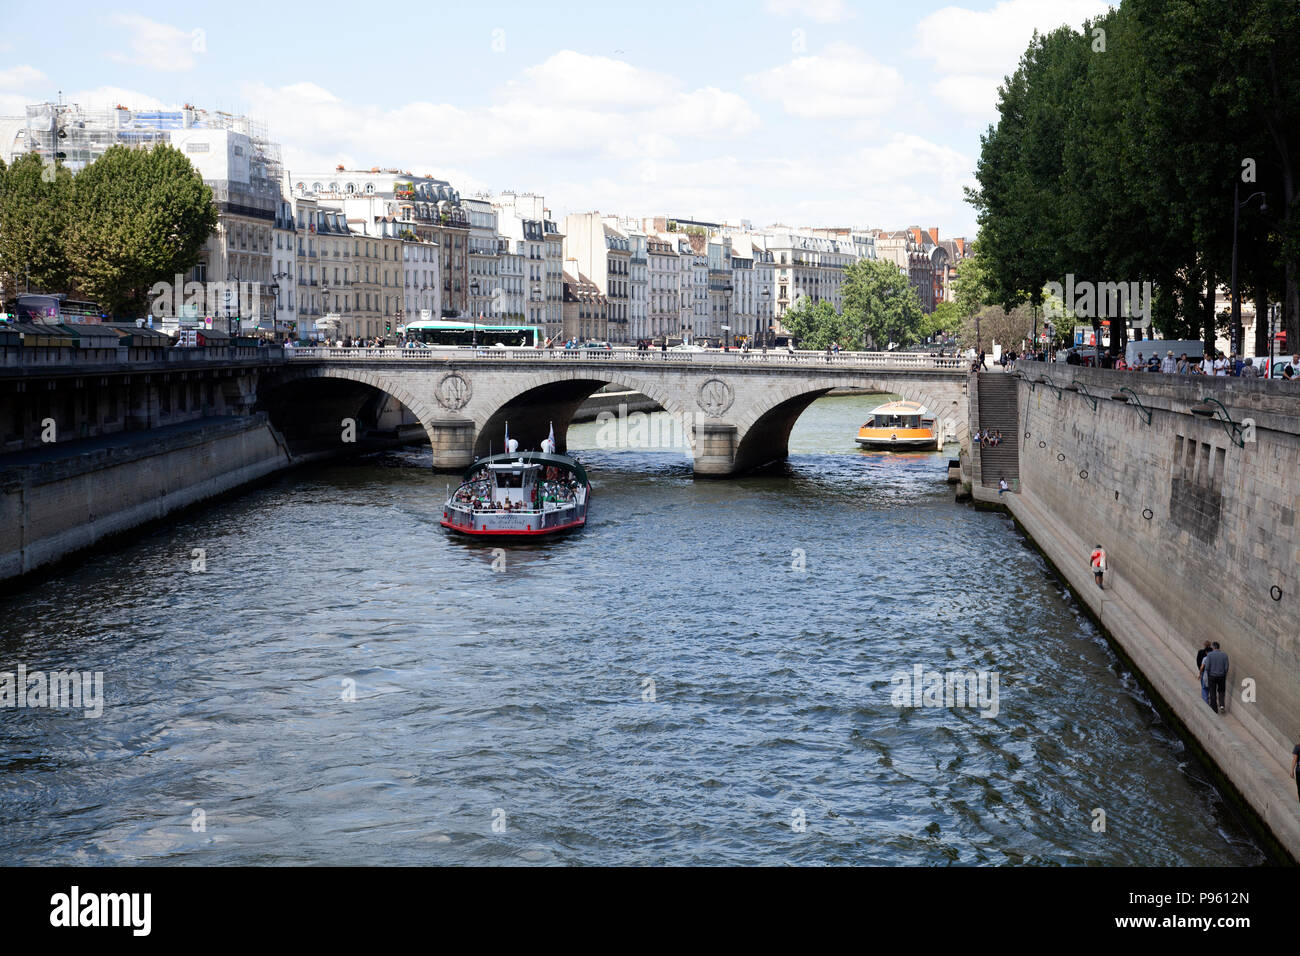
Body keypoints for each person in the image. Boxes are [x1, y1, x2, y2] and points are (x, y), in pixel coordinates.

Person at [1201, 642, 1230, 714]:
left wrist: (1209, 674)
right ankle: (1222, 705)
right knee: (1221, 691)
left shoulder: (1210, 655)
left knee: (1212, 692)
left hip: (1212, 676)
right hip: (1222, 676)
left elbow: (1207, 667)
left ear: (1213, 647)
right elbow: (1226, 667)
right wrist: (1223, 674)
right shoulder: (1224, 655)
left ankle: (1214, 709)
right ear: (1219, 647)